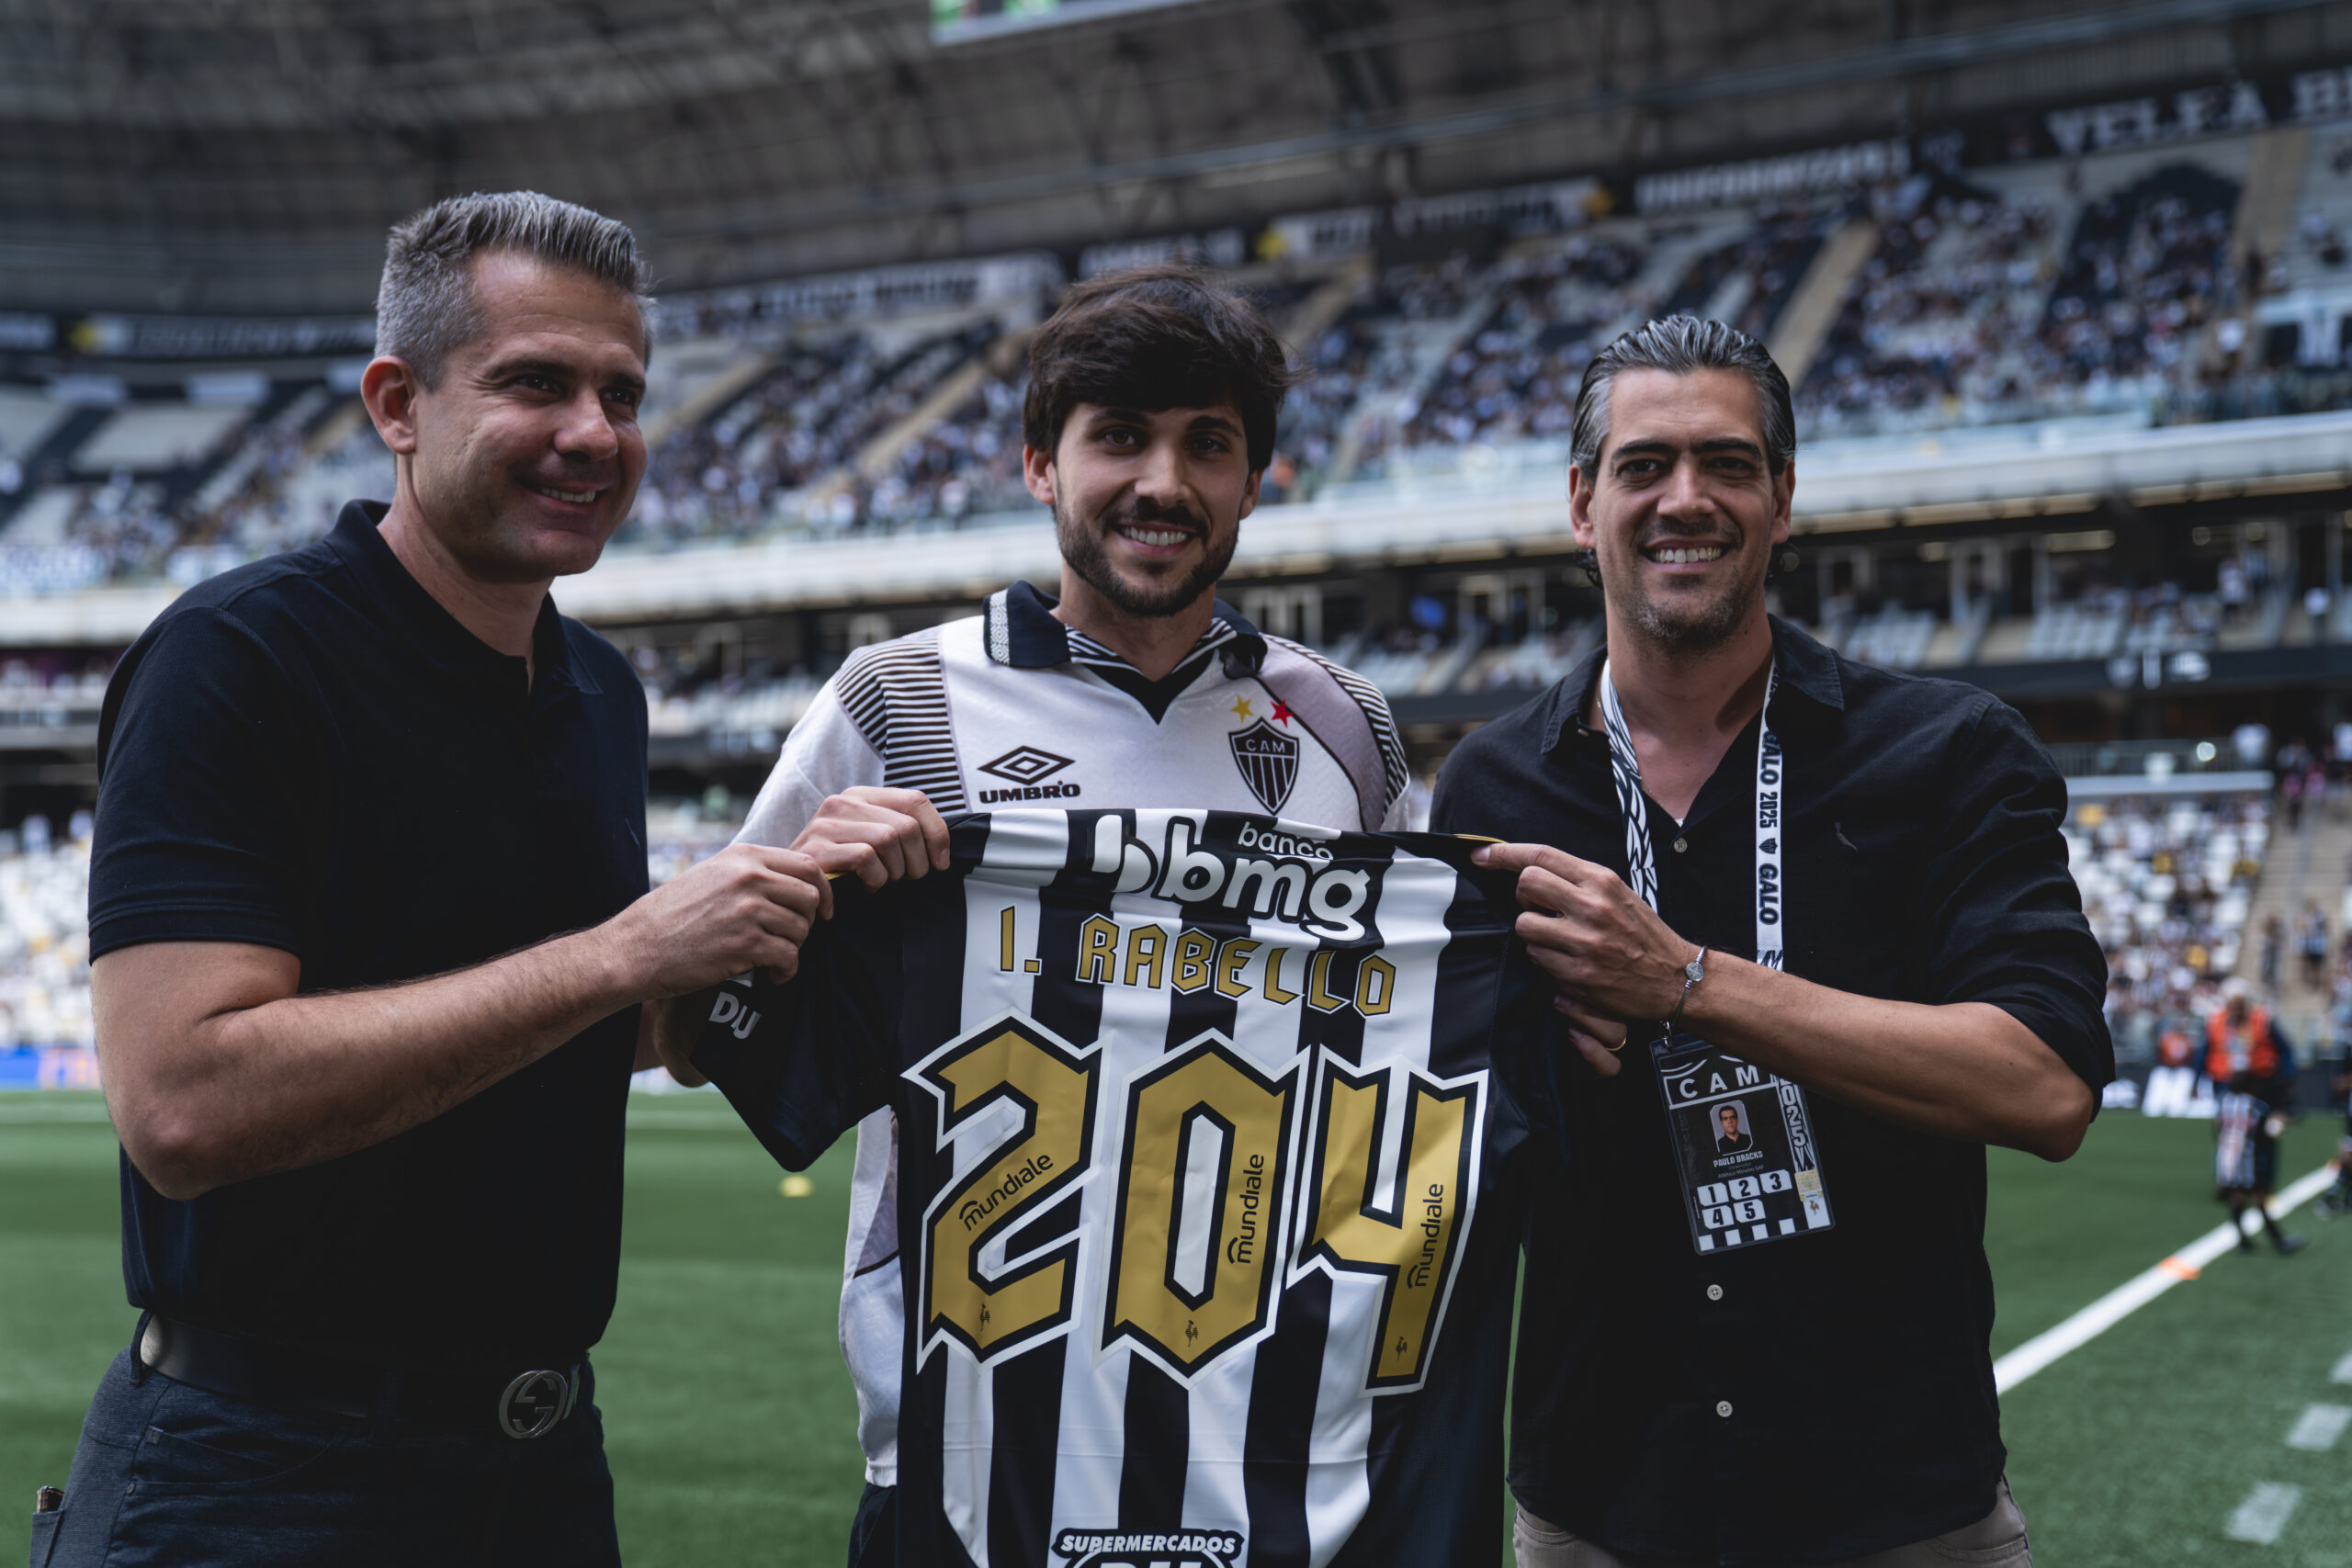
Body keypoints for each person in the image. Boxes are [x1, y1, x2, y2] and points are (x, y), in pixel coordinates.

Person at [40, 193, 831, 1568]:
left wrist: (761, 943)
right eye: (536, 382)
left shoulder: (601, 688)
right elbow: (180, 1098)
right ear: (396, 404)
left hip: (541, 1460)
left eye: (623, 391)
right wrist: (623, 955)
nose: (597, 431)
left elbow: (582, 1019)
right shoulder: (237, 659)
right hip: (258, 1469)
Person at [654, 262, 1410, 1566]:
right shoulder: (895, 705)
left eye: (1208, 444)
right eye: (1118, 436)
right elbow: (683, 1030)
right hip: (959, 1446)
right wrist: (811, 902)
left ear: (1256, 478)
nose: (1163, 481)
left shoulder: (1350, 732)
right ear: (1039, 467)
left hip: (1258, 1431)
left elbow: (1399, 1044)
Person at [1431, 316, 2111, 1566]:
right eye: (1644, 465)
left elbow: (2046, 1083)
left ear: (1782, 499)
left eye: (1726, 462)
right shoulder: (1493, 785)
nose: (1685, 498)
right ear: (1583, 503)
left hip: (1901, 1509)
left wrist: (1686, 983)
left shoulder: (1949, 752)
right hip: (1600, 1508)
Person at [2207, 979, 2309, 1254]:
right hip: (2247, 1112)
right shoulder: (2218, 1023)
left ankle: (2243, 1235)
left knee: (2238, 1179)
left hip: (2251, 1092)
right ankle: (2274, 1239)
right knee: (2257, 1186)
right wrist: (2284, 1116)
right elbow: (2272, 1126)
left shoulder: (2261, 1021)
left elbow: (2282, 1052)